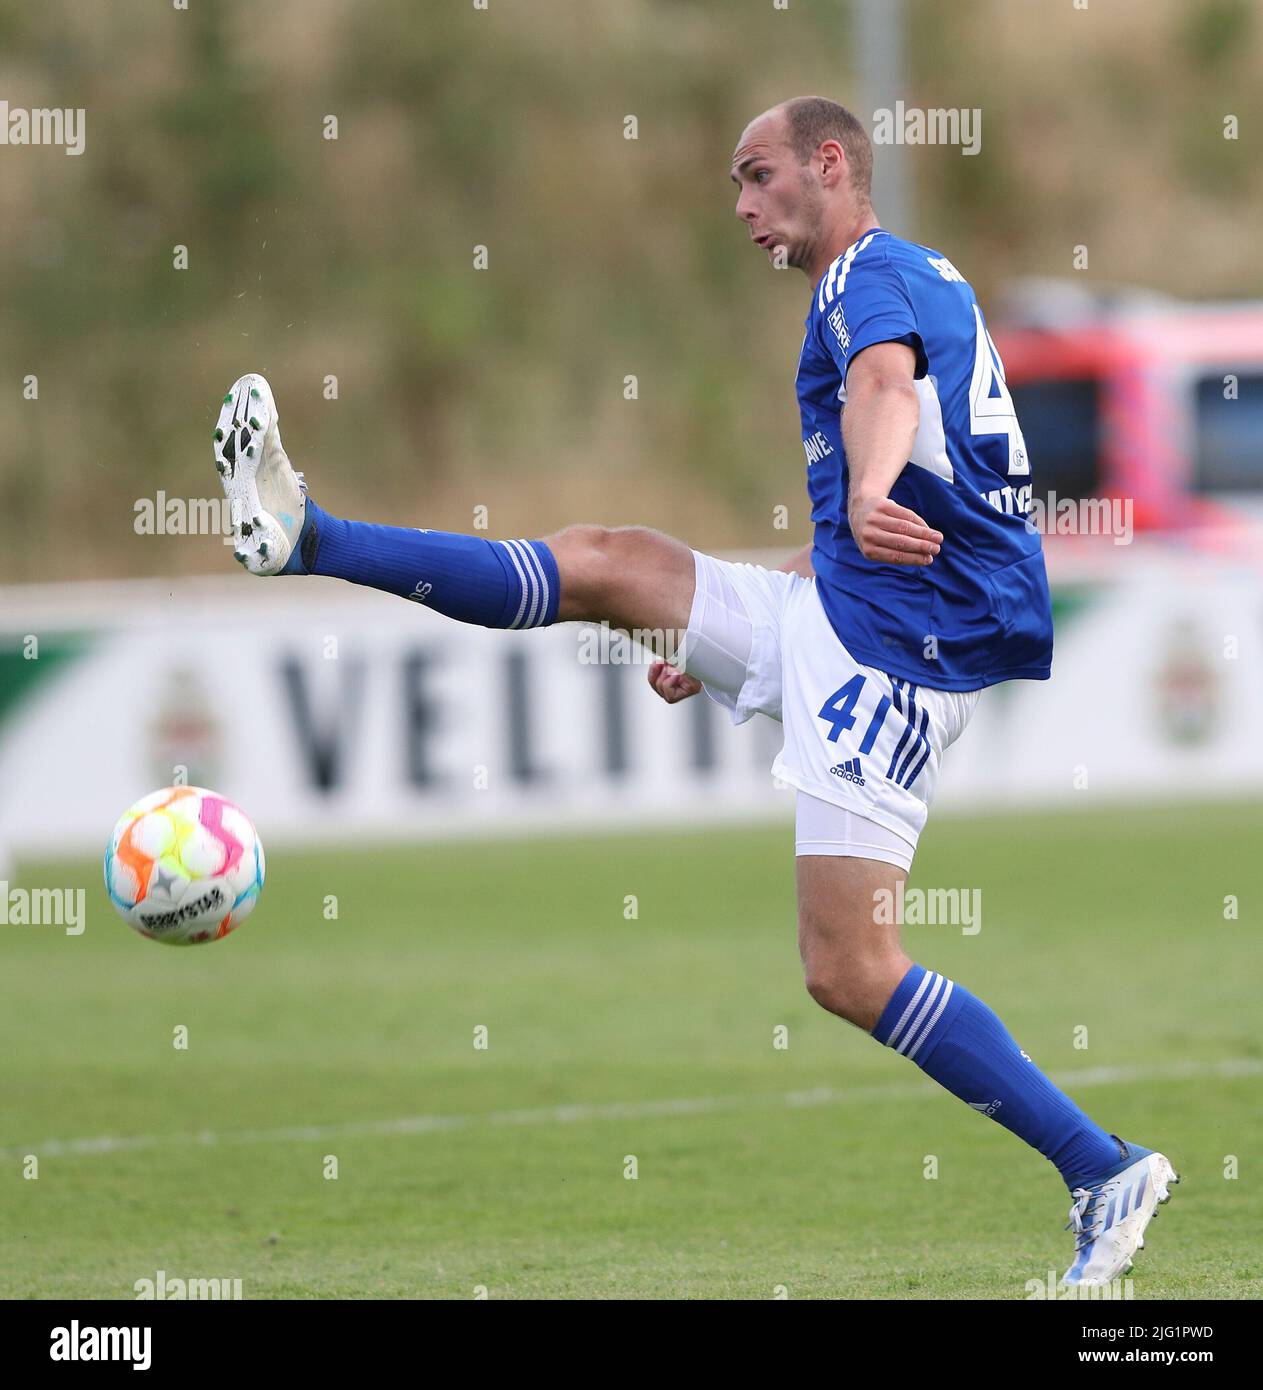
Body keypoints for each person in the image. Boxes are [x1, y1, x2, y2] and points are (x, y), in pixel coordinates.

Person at [211, 95, 1176, 1287]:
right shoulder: (893, 276)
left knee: (849, 968)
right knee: (611, 561)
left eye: (758, 176)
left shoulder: (870, 278)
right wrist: (757, 608)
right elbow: (888, 472)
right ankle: (308, 534)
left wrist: (869, 491)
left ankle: (1103, 1168)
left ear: (832, 163)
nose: (742, 208)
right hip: (842, 611)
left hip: (899, 654)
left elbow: (887, 392)